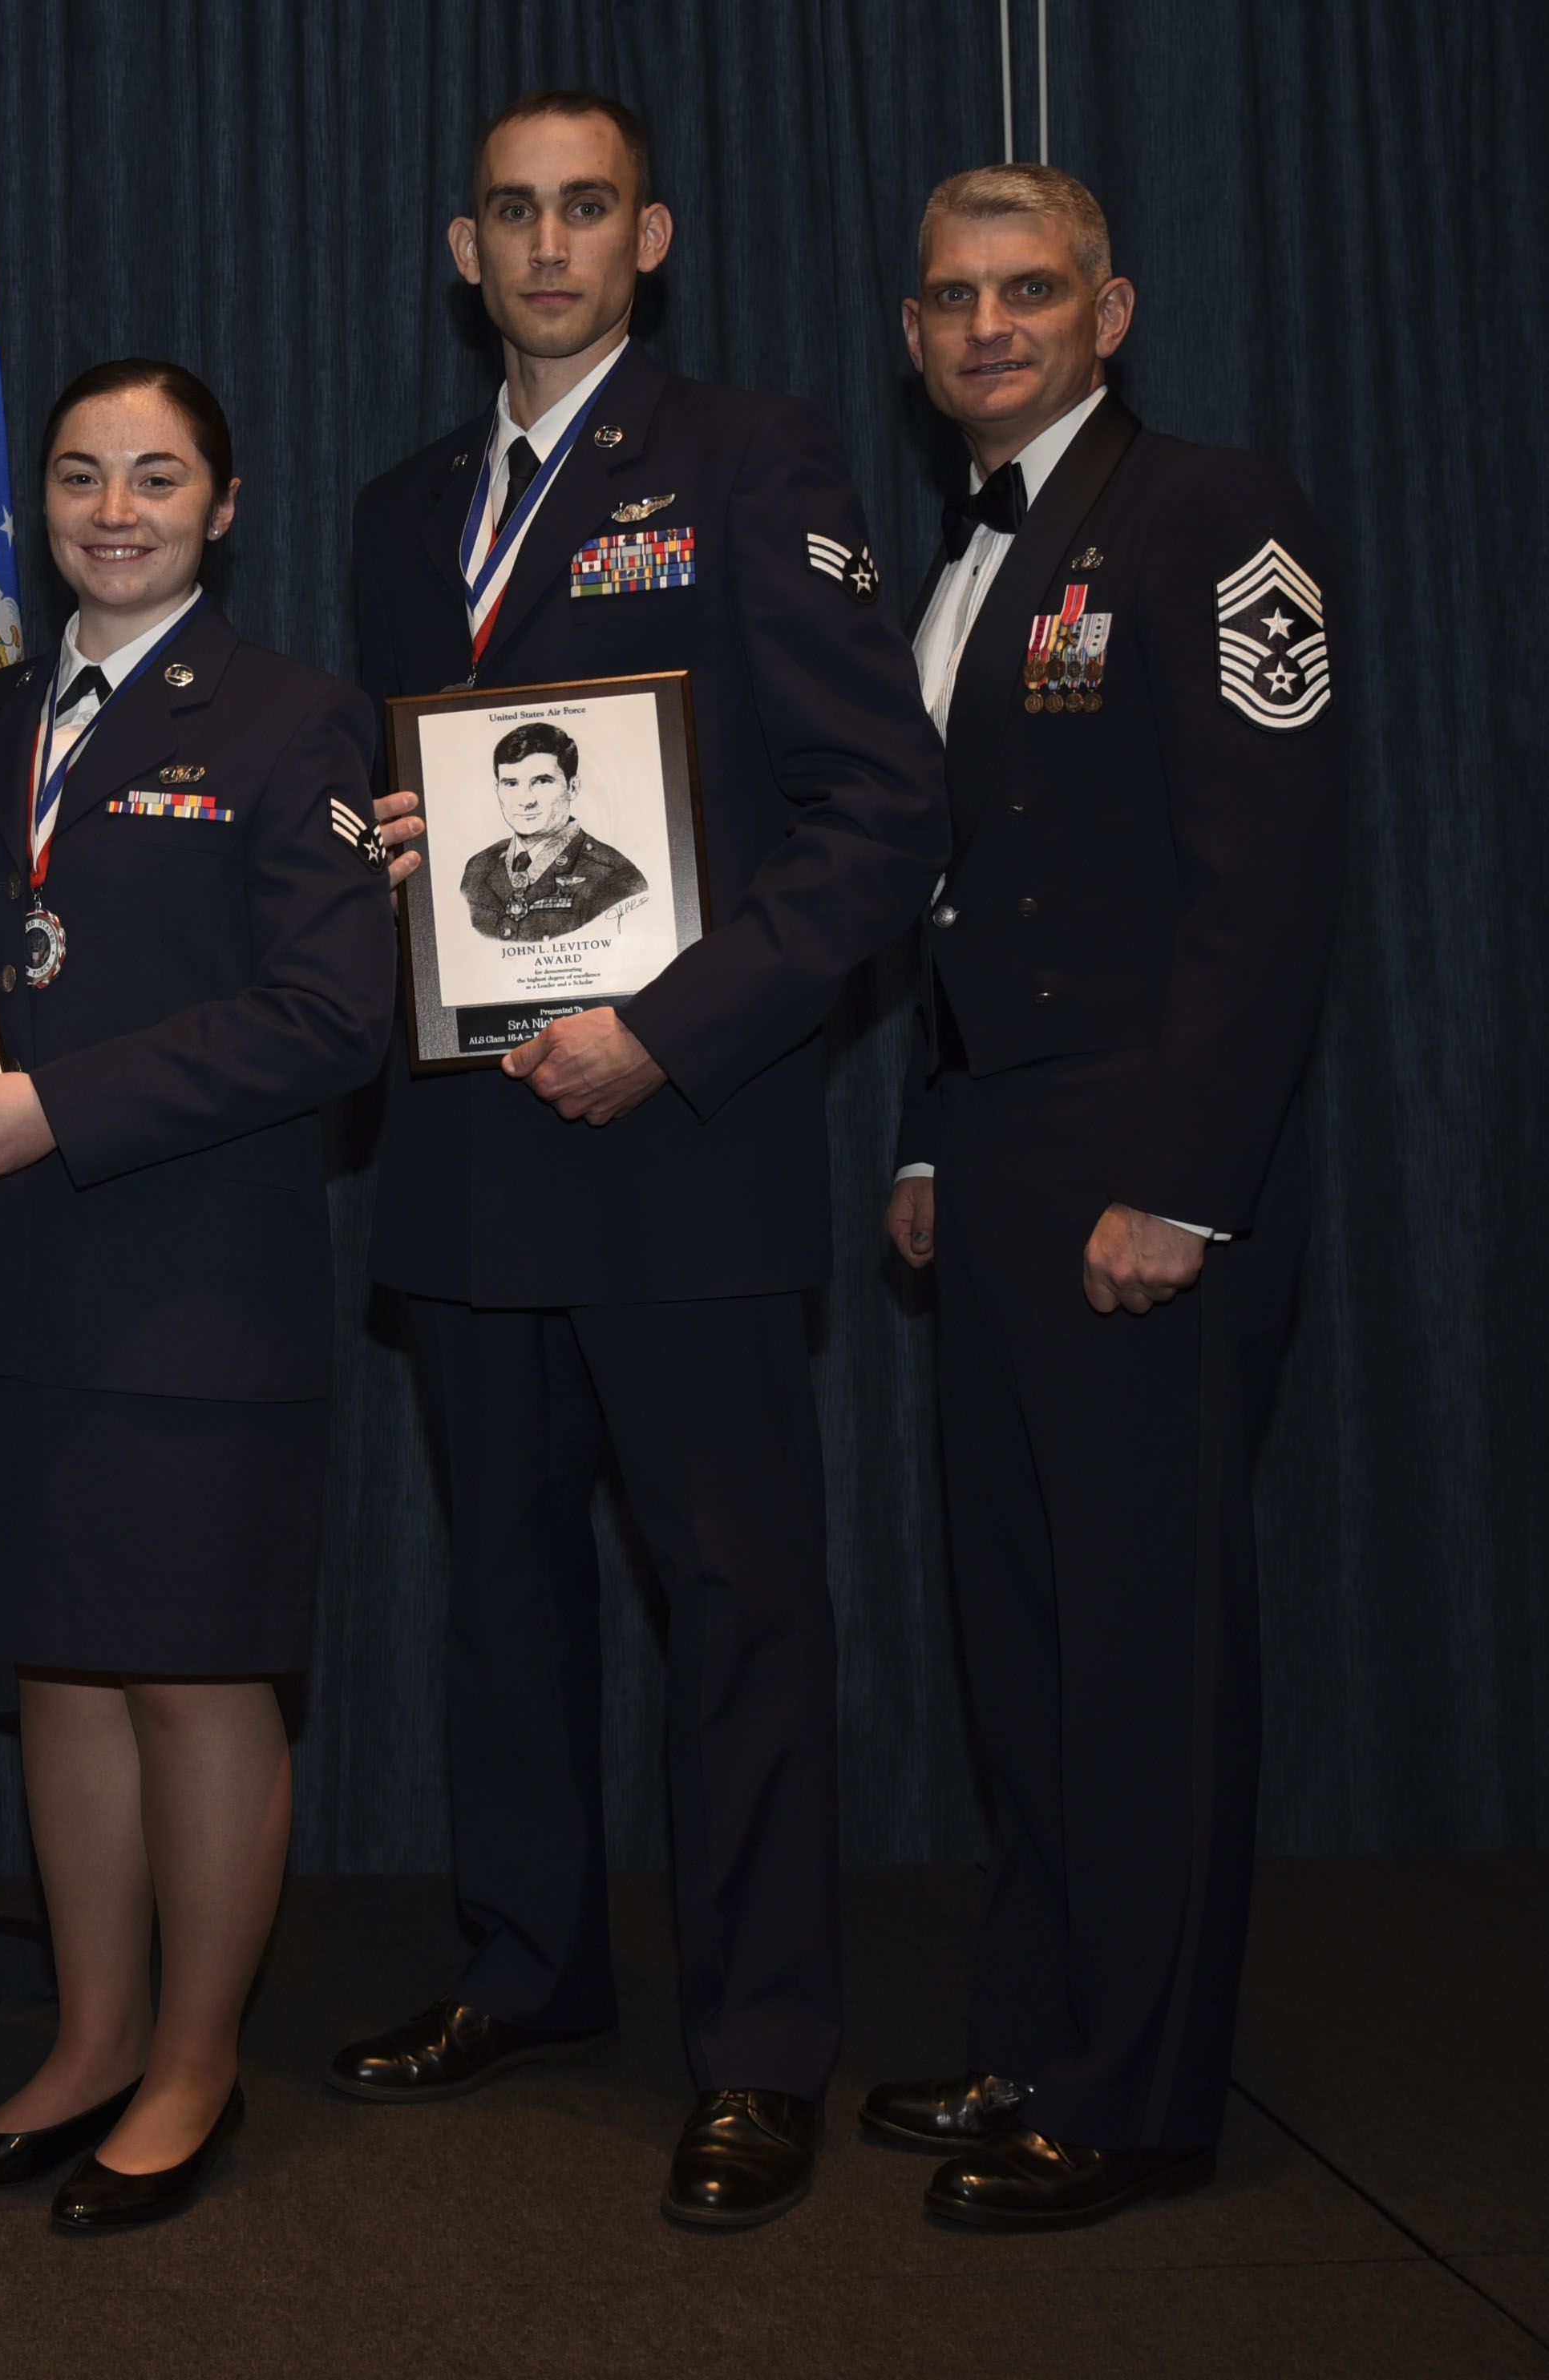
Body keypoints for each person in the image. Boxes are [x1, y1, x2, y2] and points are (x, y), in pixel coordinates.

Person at [333, 91, 948, 2229]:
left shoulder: (755, 459)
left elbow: (879, 815)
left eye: (581, 208)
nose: (544, 245)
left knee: (735, 1608)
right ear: (458, 246)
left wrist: (664, 1033)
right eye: (507, 212)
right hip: (464, 1159)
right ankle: (525, 1968)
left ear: (647, 237)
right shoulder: (400, 511)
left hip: (676, 1145)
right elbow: (384, 822)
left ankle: (763, 2041)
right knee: (498, 1605)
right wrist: (381, 850)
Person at [869, 165, 1342, 2230]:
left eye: (1029, 290)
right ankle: (1039, 2030)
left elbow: (1272, 887)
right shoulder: (952, 555)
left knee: (1140, 1646)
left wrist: (1181, 1188)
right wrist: (919, 1129)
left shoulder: (1217, 520)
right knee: (1024, 1636)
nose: (990, 325)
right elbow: (950, 892)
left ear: (1112, 306)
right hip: (993, 1159)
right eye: (955, 297)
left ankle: (1138, 2093)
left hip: (1146, 1167)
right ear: (911, 333)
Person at [0, 358, 394, 2233]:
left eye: (157, 476)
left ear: (225, 504)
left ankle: (193, 2064)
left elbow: (332, 1021)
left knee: (191, 1685)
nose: (115, 508)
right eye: (83, 476)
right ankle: (90, 2041)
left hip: (190, 1293)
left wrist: (54, 1108)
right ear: (35, 500)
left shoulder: (294, 720)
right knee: (60, 1683)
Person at [459, 721, 648, 939]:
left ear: (573, 787)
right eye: (511, 784)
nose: (525, 801)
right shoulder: (478, 868)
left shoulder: (615, 877)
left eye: (541, 781)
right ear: (497, 789)